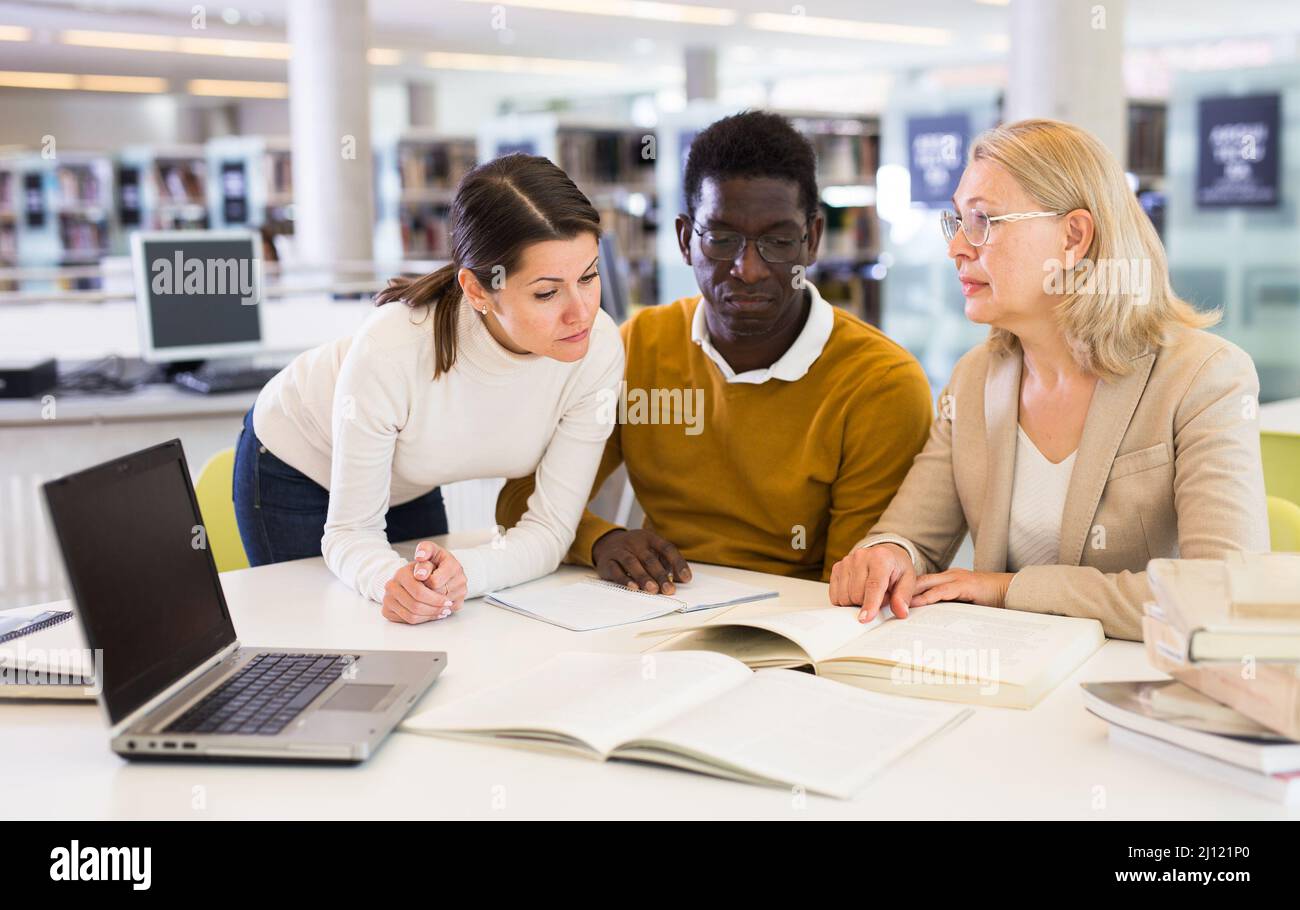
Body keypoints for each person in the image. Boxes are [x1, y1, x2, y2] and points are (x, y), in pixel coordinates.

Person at [829, 118, 1269, 640]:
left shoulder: (1204, 377)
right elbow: (912, 535)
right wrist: (888, 554)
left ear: (1073, 236)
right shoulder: (974, 379)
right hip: (1007, 672)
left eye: (984, 221)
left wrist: (1008, 589)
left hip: (1138, 687)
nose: (957, 249)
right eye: (957, 223)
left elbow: (1223, 595)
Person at [497, 110, 933, 592]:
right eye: (722, 239)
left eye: (777, 240)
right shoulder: (638, 345)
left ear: (811, 240)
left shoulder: (881, 383)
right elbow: (521, 498)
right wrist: (602, 540)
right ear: (686, 240)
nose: (748, 268)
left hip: (796, 631)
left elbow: (854, 588)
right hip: (654, 612)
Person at [233, 154, 623, 624]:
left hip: (409, 473)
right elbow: (351, 532)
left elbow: (550, 532)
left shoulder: (597, 348)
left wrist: (466, 572)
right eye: (546, 292)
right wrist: (386, 581)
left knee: (431, 615)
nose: (580, 313)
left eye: (589, 276)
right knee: (316, 631)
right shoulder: (394, 346)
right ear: (477, 291)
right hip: (295, 461)